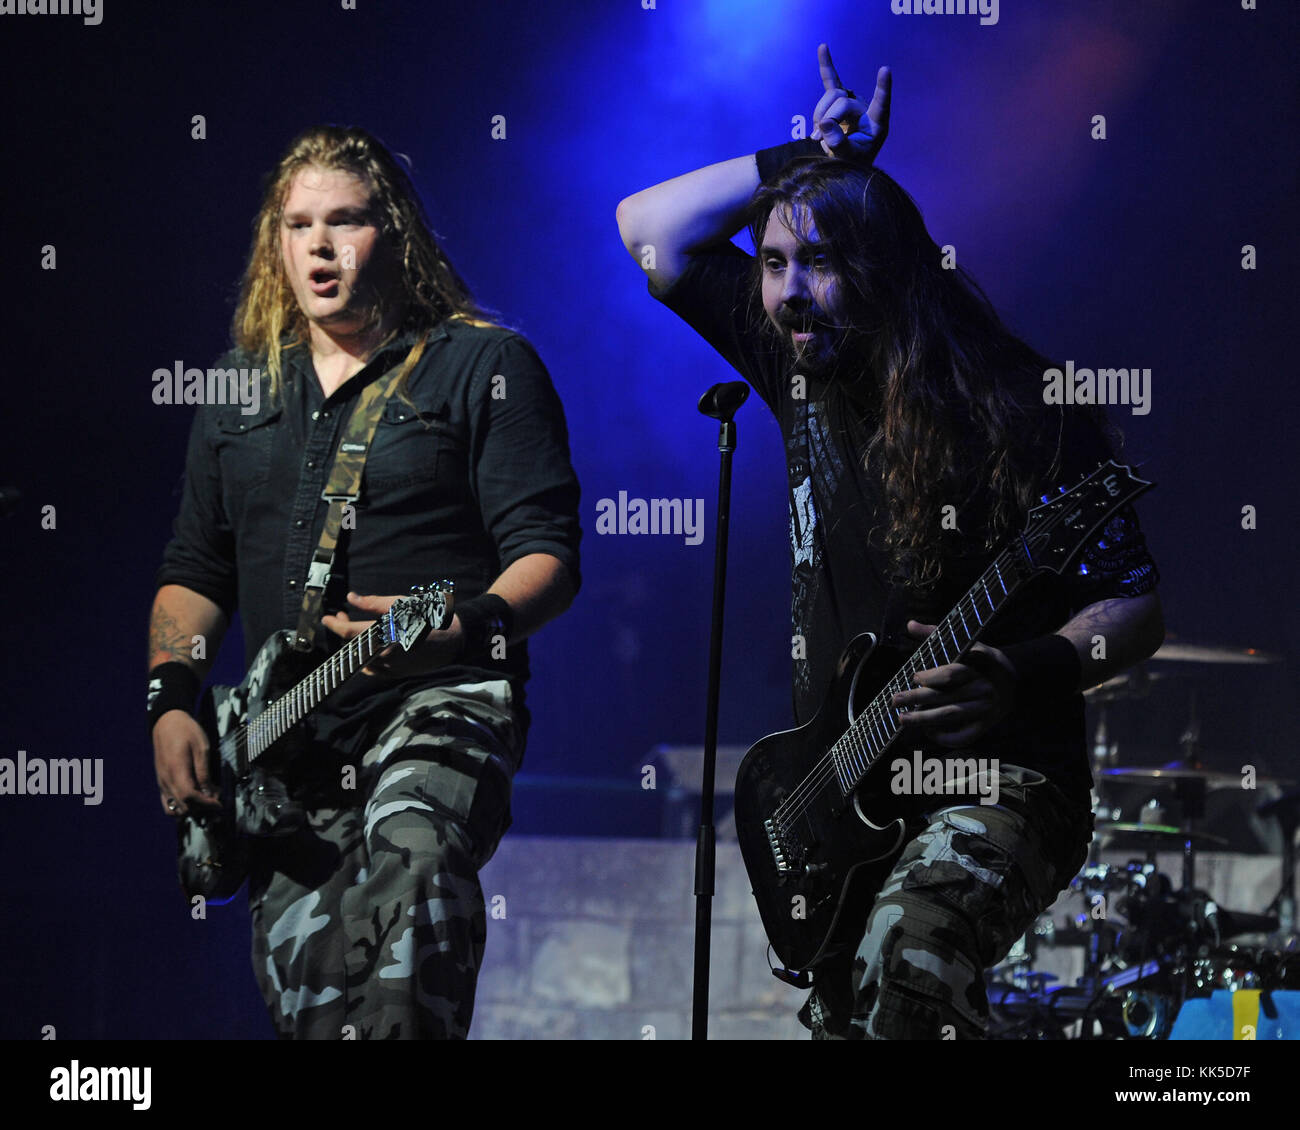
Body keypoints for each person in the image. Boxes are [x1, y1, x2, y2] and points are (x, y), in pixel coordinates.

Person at [616, 46, 1163, 1039]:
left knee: (904, 968)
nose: (783, 294)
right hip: (839, 786)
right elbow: (647, 228)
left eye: (816, 263)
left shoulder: (1018, 403)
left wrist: (1026, 667)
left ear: (885, 268)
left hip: (1000, 777)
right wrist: (800, 159)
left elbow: (1132, 603)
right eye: (773, 261)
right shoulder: (796, 364)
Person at [148, 125, 581, 1039]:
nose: (320, 244)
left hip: (441, 695)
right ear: (275, 243)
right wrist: (173, 699)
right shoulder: (237, 389)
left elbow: (548, 552)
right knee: (329, 1014)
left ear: (397, 235)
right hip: (282, 748)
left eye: (345, 221)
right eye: (298, 224)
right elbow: (194, 571)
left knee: (416, 864)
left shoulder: (484, 366)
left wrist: (468, 626)